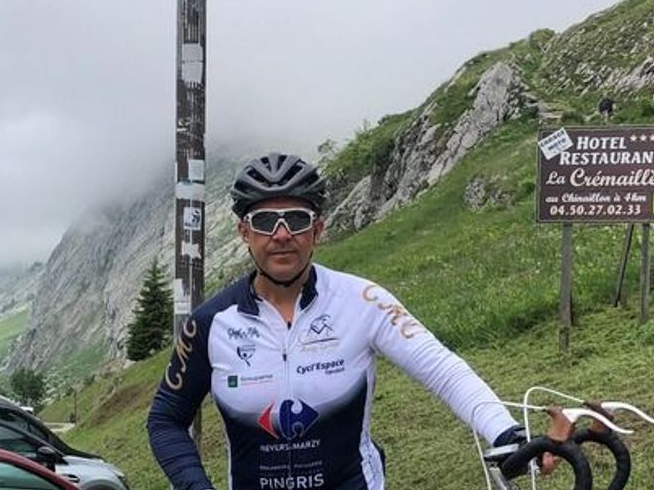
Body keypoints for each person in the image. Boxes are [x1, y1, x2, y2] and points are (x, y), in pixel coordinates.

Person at [147, 153, 528, 490]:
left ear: (318, 229)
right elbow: (166, 419)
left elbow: (443, 370)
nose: (282, 235)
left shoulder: (363, 301)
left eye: (297, 219)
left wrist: (505, 430)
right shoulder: (211, 322)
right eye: (265, 221)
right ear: (244, 232)